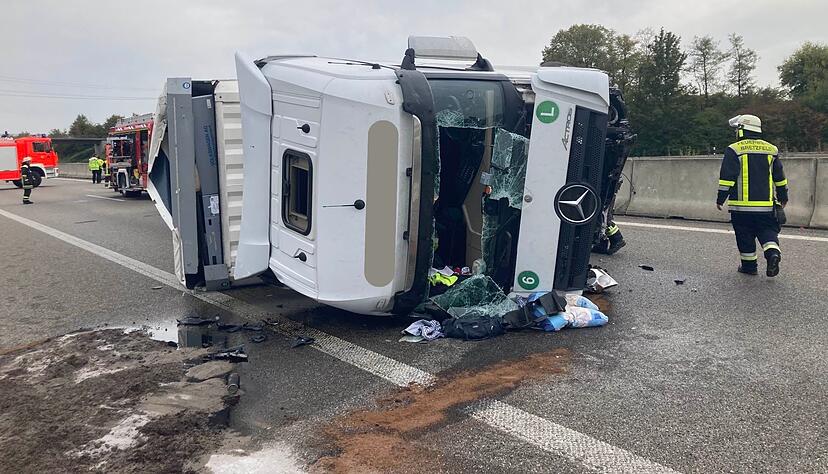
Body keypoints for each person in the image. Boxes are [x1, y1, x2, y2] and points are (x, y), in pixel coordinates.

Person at [717, 114, 788, 277]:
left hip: (741, 208)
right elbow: (779, 177)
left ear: (742, 129)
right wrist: (783, 196)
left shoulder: (734, 149)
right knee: (768, 230)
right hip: (765, 207)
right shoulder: (771, 149)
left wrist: (721, 198)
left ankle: (749, 267)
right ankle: (773, 253)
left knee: (744, 236)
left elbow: (727, 177)